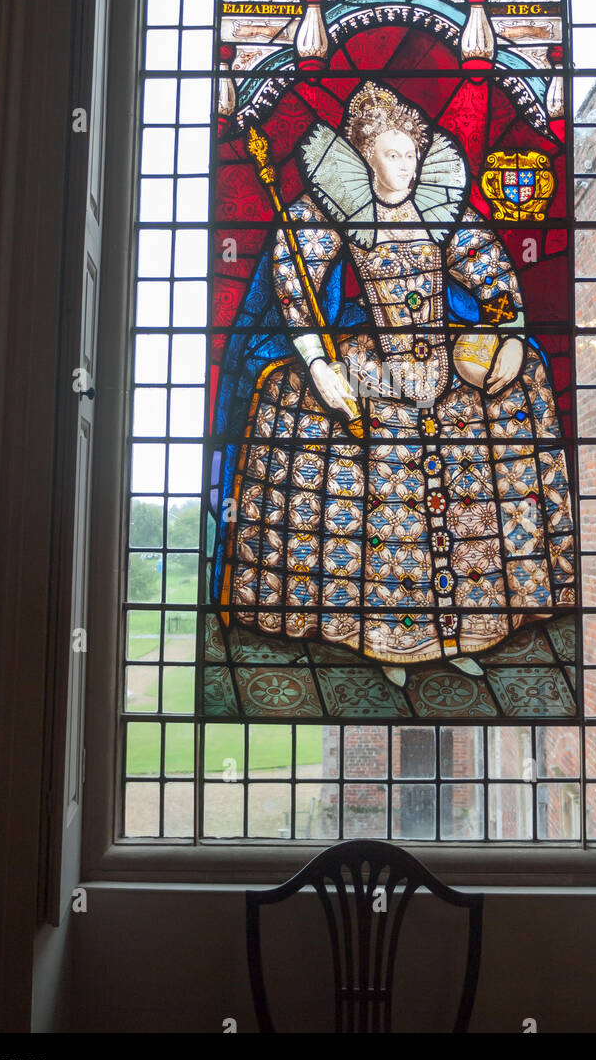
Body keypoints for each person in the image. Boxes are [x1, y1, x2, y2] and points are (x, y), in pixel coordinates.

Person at [217, 82, 575, 686]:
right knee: (374, 469)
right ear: (366, 160)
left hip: (443, 360)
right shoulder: (332, 208)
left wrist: (510, 334)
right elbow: (293, 287)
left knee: (512, 403)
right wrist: (319, 365)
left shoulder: (443, 207)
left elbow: (495, 277)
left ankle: (462, 627)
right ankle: (389, 642)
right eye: (391, 155)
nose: (405, 166)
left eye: (411, 154)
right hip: (373, 363)